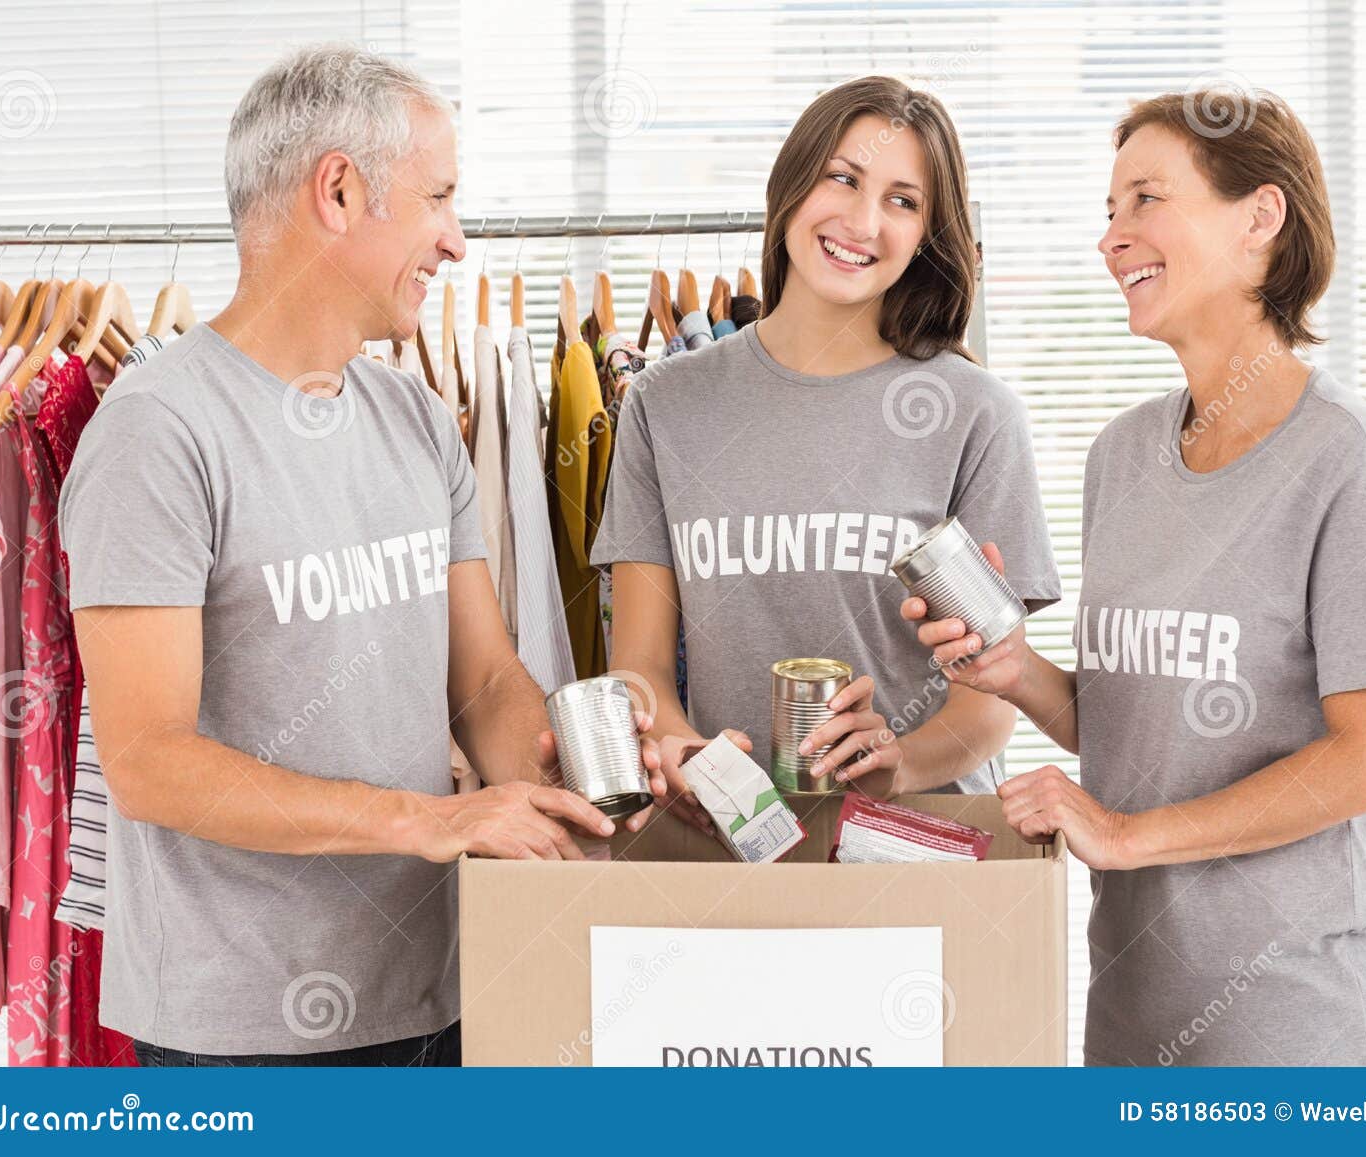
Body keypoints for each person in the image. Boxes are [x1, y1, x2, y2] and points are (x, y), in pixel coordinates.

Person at [59, 44, 662, 1067]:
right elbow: (149, 760)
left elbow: (480, 680)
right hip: (244, 1035)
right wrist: (430, 818)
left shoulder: (415, 418)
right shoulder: (157, 430)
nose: (457, 242)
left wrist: (572, 775)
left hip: (443, 991)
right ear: (338, 190)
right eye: (437, 198)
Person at [906, 90, 1366, 1065]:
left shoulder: (1350, 465)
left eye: (1145, 199)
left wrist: (1121, 833)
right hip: (1137, 1010)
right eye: (1108, 211)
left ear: (1259, 218)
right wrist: (1013, 668)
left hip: (1305, 1029)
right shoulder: (1120, 456)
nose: (1113, 237)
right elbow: (1133, 725)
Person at [591, 76, 1060, 818]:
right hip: (735, 843)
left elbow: (992, 700)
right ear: (791, 185)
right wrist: (704, 774)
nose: (863, 220)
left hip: (923, 848)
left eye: (903, 201)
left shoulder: (976, 415)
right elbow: (641, 667)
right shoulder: (665, 404)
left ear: (926, 236)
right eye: (842, 178)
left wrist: (900, 762)